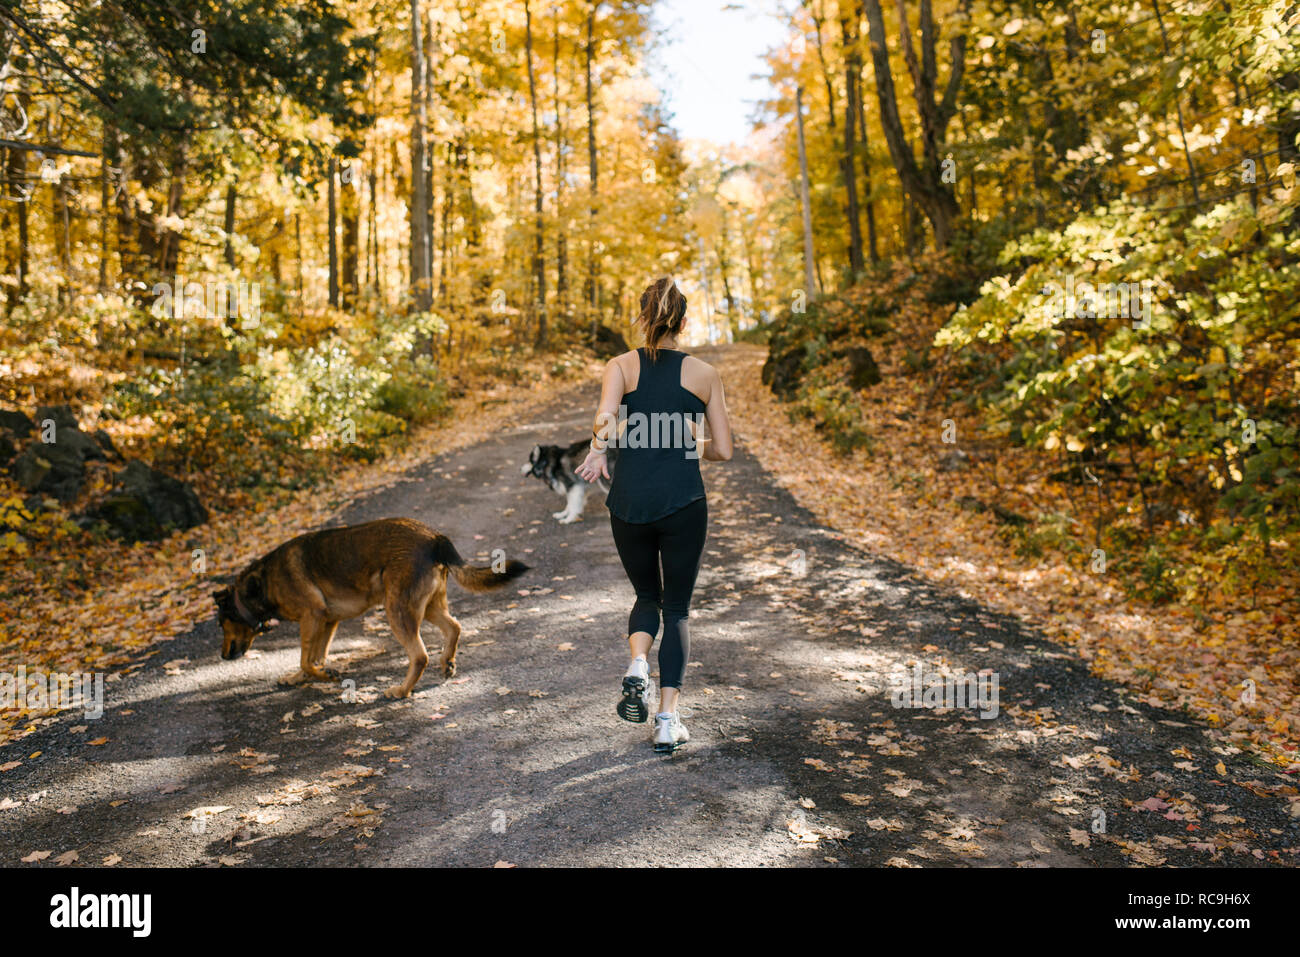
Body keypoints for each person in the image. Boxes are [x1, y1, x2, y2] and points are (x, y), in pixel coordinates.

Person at [576, 276, 733, 753]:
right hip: (684, 504)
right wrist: (687, 439)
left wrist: (599, 452)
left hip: (629, 505)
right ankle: (667, 721)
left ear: (641, 319)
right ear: (683, 323)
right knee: (678, 608)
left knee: (647, 595)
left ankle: (638, 664)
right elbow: (724, 450)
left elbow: (605, 420)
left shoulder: (620, 366)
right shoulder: (704, 374)